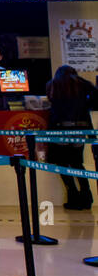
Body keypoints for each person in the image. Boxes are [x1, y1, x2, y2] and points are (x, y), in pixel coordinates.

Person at [45, 66, 98, 210]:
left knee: (62, 163)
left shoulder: (52, 85)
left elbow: (52, 105)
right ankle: (87, 196)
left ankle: (73, 195)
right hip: (79, 129)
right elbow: (95, 99)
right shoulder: (82, 84)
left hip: (60, 129)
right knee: (77, 163)